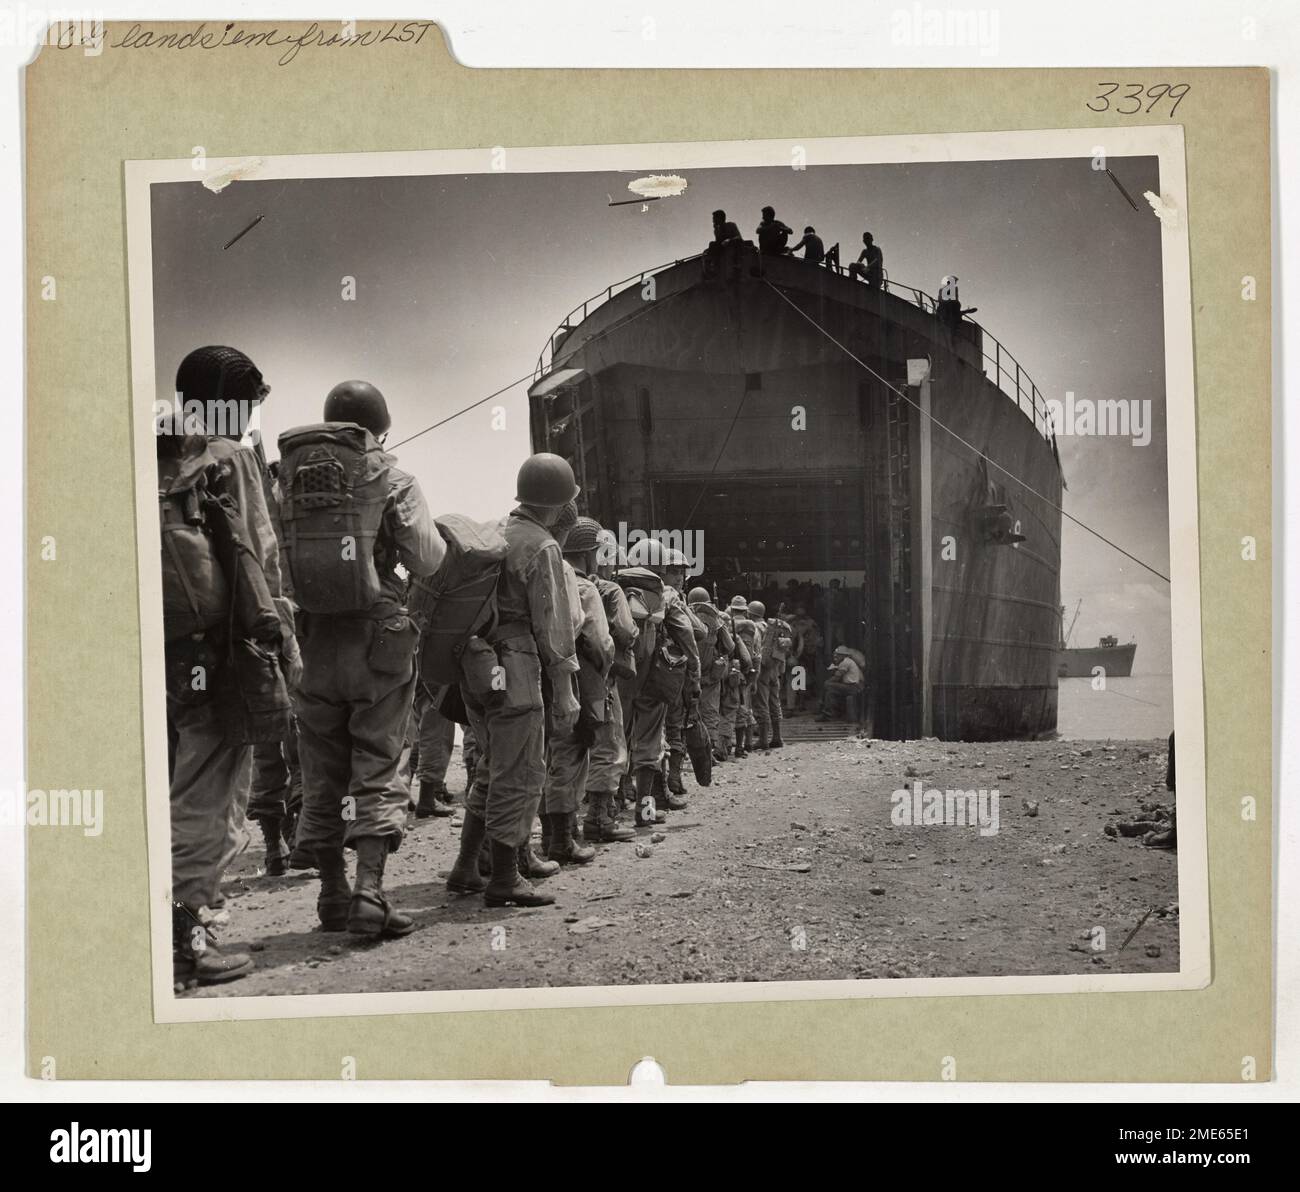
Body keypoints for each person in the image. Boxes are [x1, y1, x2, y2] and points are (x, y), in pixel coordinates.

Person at [281, 380, 445, 939]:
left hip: (310, 641)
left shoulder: (286, 480)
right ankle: (370, 895)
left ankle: (331, 894)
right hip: (376, 638)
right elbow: (427, 558)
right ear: (380, 426)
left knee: (321, 766)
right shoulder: (390, 475)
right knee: (377, 760)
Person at [163, 344, 301, 985]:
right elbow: (260, 560)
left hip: (162, 653)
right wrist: (283, 647)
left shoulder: (152, 454)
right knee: (212, 798)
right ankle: (184, 942)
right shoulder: (230, 460)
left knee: (167, 790)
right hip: (219, 655)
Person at [444, 454, 581, 907]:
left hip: (478, 668)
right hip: (516, 666)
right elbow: (553, 626)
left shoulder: (494, 531)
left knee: (489, 766)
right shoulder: (542, 546)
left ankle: (467, 867)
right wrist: (564, 690)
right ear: (560, 504)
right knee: (519, 772)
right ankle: (504, 877)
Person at [621, 539, 700, 822]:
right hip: (653, 680)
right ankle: (645, 811)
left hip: (620, 678)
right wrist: (695, 677)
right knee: (651, 743)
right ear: (662, 566)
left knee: (619, 740)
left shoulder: (616, 589)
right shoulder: (666, 594)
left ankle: (612, 806)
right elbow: (692, 637)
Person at [583, 522, 639, 842]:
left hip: (565, 675)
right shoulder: (610, 589)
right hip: (601, 676)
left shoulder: (564, 580)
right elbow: (626, 631)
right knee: (610, 741)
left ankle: (559, 830)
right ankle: (599, 818)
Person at [688, 588, 735, 761]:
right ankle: (710, 752)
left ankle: (687, 753)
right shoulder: (716, 620)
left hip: (688, 673)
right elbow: (730, 647)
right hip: (710, 675)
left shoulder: (684, 615)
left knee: (687, 713)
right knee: (710, 713)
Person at [817, 645, 864, 721]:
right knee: (830, 692)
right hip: (851, 686)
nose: (836, 657)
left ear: (843, 655)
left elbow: (837, 677)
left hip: (852, 687)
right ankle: (828, 713)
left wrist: (827, 682)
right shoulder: (847, 662)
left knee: (827, 685)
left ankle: (824, 710)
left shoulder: (845, 662)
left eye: (838, 655)